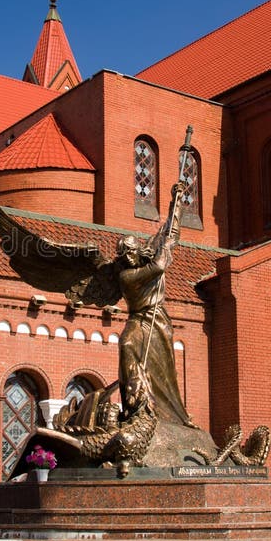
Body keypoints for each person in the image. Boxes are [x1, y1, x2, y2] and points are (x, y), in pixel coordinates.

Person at [116, 183, 195, 428]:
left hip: (157, 320)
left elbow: (170, 230)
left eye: (131, 252)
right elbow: (159, 266)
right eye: (124, 255)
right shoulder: (125, 276)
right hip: (137, 319)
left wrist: (176, 202)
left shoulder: (151, 251)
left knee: (165, 371)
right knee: (127, 344)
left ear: (138, 249)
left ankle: (175, 415)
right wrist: (166, 248)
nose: (128, 257)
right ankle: (134, 405)